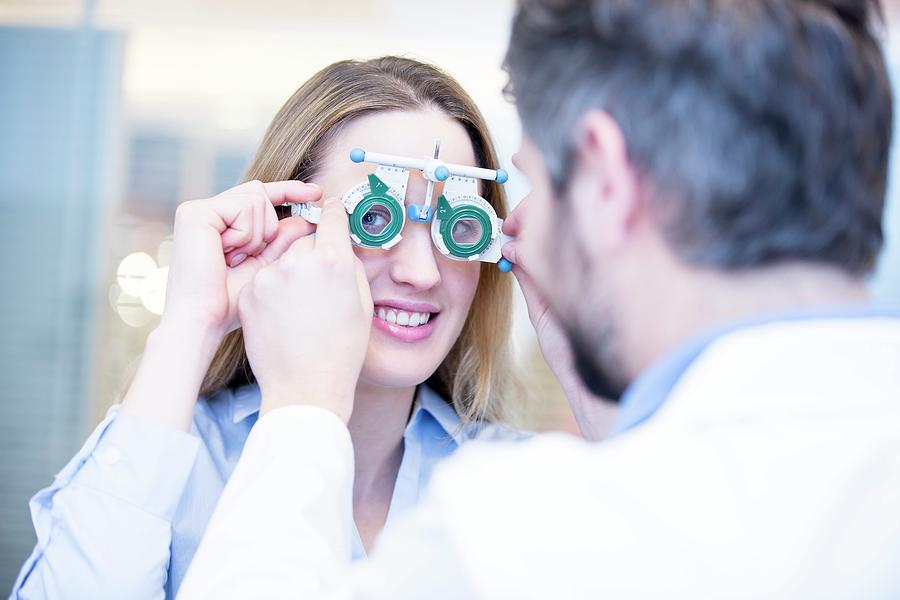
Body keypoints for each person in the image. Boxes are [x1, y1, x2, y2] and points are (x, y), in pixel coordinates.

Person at [177, 0, 900, 597]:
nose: (522, 233)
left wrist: (301, 407)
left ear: (606, 177)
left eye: (535, 183)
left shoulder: (516, 537)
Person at [10, 56, 527, 600]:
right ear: (286, 222)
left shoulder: (516, 484)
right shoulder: (178, 460)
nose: (420, 273)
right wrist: (192, 322)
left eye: (461, 226)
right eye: (373, 219)